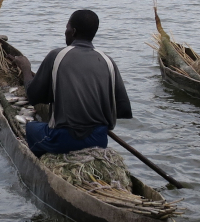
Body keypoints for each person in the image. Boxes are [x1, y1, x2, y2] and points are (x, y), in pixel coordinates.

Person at [8, 9, 132, 157]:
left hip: (63, 139)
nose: (65, 32)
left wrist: (26, 69)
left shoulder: (57, 55)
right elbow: (123, 110)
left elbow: (33, 97)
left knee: (31, 128)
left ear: (73, 31)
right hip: (99, 140)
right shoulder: (108, 61)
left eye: (66, 28)